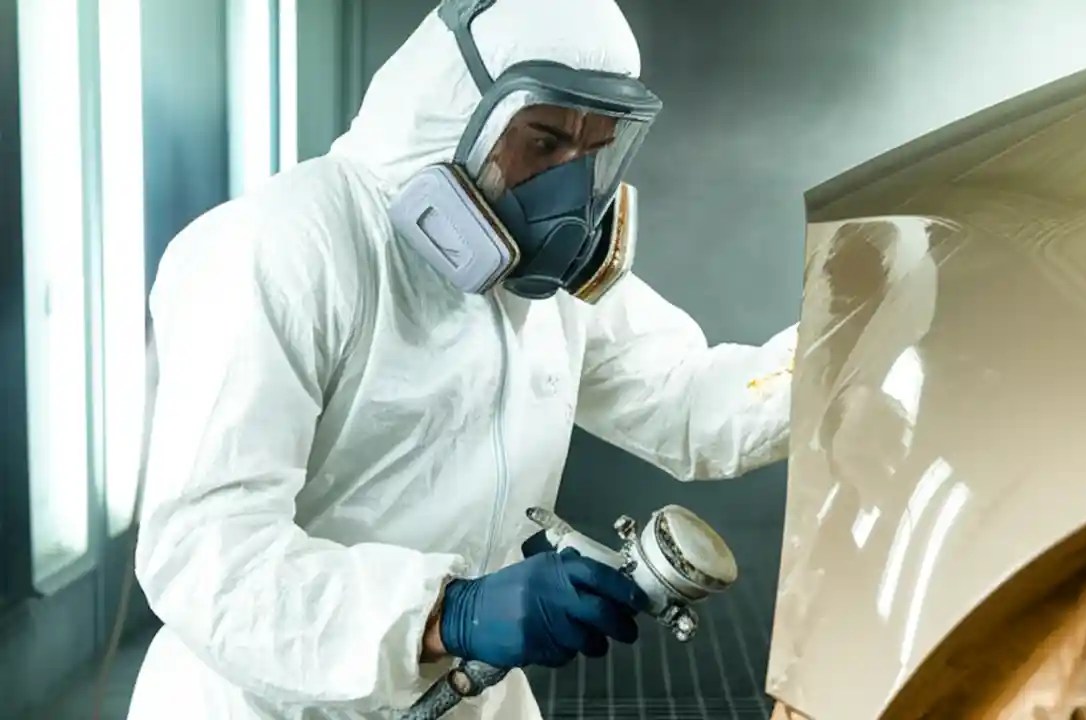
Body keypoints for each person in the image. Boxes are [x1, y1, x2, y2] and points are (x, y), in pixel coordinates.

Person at [126, 0, 795, 717]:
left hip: (468, 692)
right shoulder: (279, 249)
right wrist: (450, 613)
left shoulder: (542, 281)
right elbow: (209, 554)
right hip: (272, 701)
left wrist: (859, 343)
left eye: (592, 151)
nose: (568, 191)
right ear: (455, 116)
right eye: (543, 143)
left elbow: (692, 402)